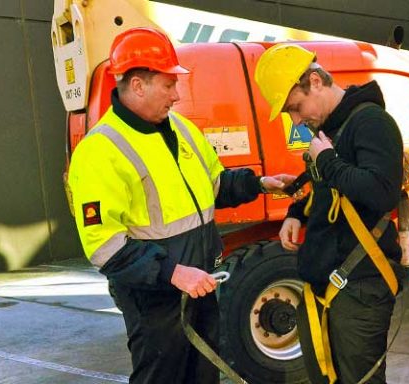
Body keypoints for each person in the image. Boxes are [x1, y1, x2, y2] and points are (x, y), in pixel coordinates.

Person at [67, 27, 294, 383]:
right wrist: (174, 273)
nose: (177, 95)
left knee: (203, 375)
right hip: (154, 300)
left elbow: (215, 185)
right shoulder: (99, 152)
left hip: (199, 286)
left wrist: (261, 183)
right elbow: (104, 247)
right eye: (168, 84)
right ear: (138, 85)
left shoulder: (182, 130)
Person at [254, 44, 405, 383]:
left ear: (315, 81)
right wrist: (297, 211)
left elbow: (381, 192)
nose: (296, 120)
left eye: (296, 107)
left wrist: (327, 161)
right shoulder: (332, 130)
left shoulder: (371, 122)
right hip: (326, 282)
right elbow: (329, 187)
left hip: (359, 287)